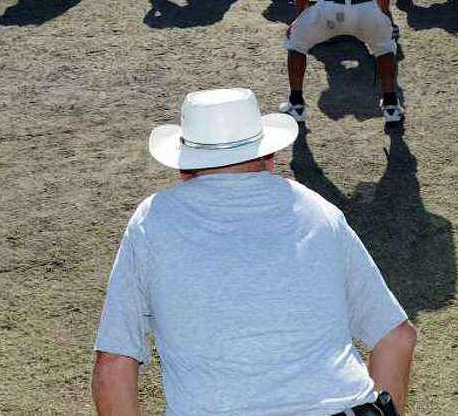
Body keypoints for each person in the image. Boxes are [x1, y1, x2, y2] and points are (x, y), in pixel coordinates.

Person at [92, 87, 416, 416]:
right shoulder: (318, 211)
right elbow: (396, 336)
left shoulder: (152, 221)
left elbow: (114, 366)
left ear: (184, 168)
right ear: (270, 158)